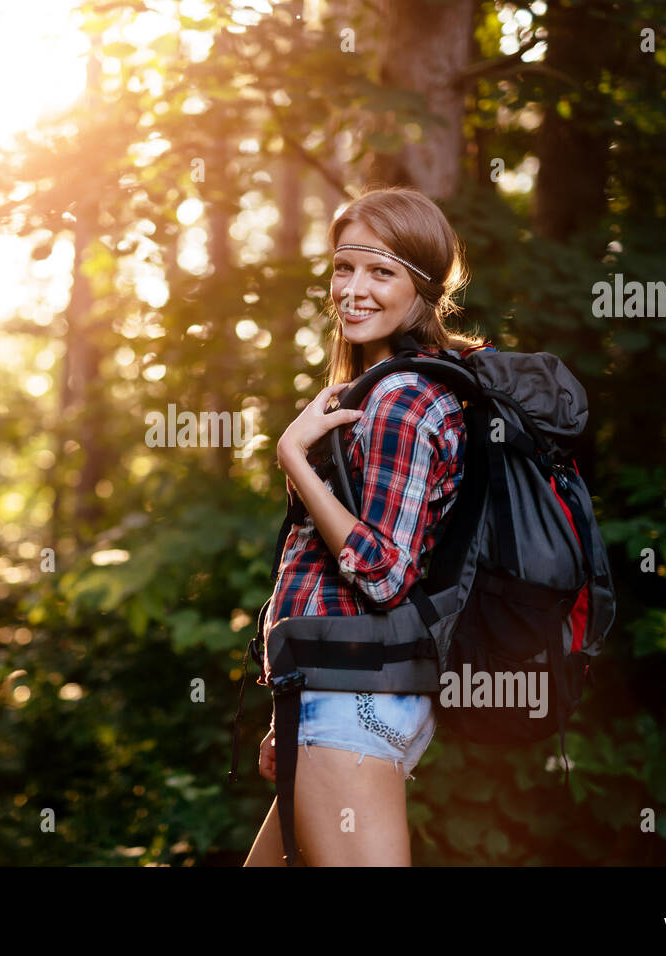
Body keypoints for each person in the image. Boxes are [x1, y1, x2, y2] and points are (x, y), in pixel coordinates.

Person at [243, 185, 491, 866]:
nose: (354, 289)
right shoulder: (385, 390)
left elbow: (382, 571)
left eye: (382, 272)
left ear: (424, 288)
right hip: (330, 700)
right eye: (344, 268)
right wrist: (289, 712)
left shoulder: (402, 400)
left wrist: (293, 457)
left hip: (350, 708)